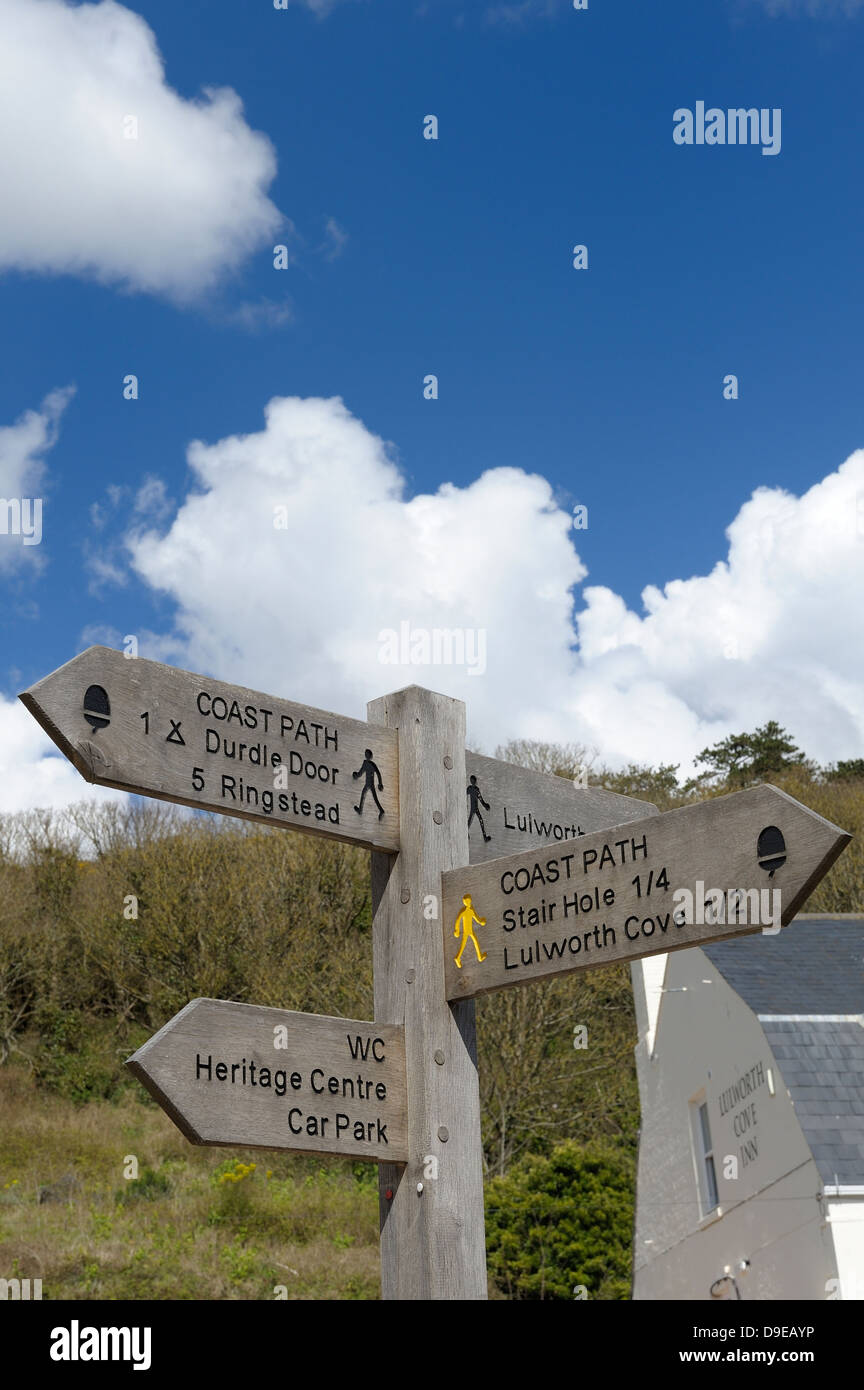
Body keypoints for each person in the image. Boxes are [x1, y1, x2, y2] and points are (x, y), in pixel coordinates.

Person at [453, 894, 487, 968]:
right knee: (465, 945)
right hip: (466, 931)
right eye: (467, 902)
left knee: (475, 942)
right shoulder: (463, 911)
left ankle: (479, 957)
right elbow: (458, 920)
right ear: (464, 902)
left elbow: (476, 918)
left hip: (470, 931)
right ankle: (458, 957)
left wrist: (481, 921)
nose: (468, 903)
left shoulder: (471, 910)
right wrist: (456, 930)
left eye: (469, 901)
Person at [353, 748, 385, 819]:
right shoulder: (372, 764)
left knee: (365, 795)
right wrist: (380, 783)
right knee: (373, 797)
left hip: (368, 783)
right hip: (371, 784)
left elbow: (360, 773)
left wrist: (355, 776)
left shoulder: (366, 764)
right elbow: (378, 773)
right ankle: (380, 810)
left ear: (366, 755)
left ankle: (360, 810)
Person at [466, 774, 491, 842]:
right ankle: (484, 837)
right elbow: (481, 800)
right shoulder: (476, 790)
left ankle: (484, 837)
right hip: (474, 808)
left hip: (474, 808)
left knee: (474, 820)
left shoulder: (469, 788)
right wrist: (485, 805)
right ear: (474, 781)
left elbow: (480, 799)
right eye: (475, 780)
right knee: (478, 820)